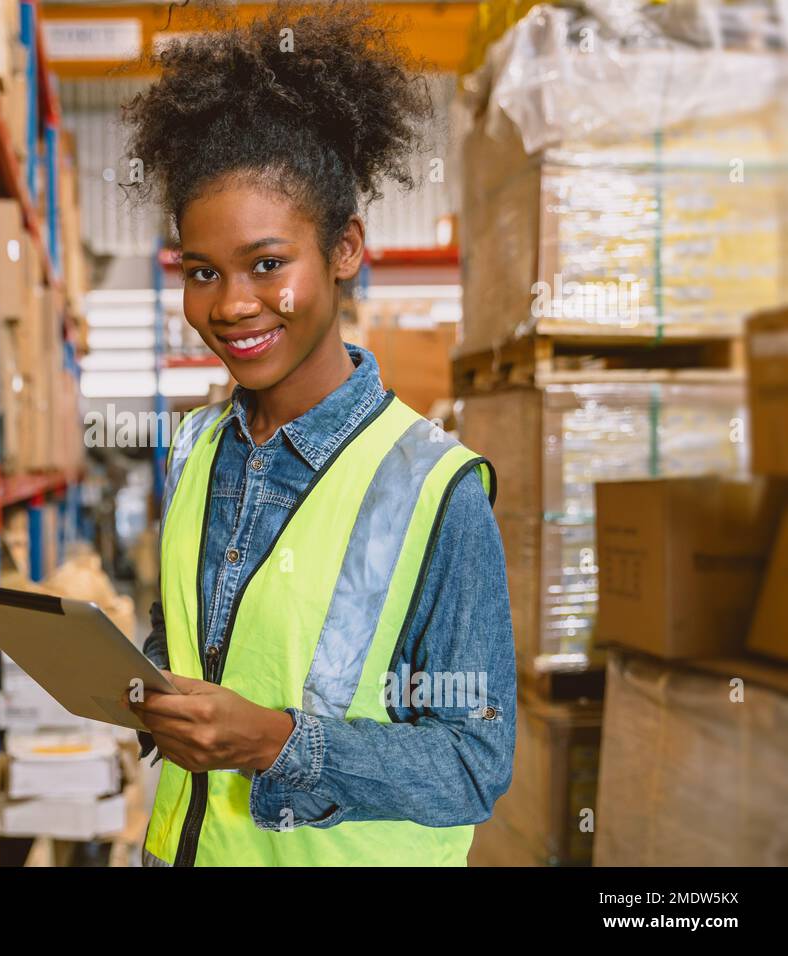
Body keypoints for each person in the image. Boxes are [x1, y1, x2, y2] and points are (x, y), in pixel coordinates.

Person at [121, 1, 516, 867]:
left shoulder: (432, 489)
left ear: (344, 250)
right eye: (201, 272)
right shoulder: (196, 450)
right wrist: (142, 684)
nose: (229, 305)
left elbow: (473, 762)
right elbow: (190, 632)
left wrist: (274, 742)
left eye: (268, 264)